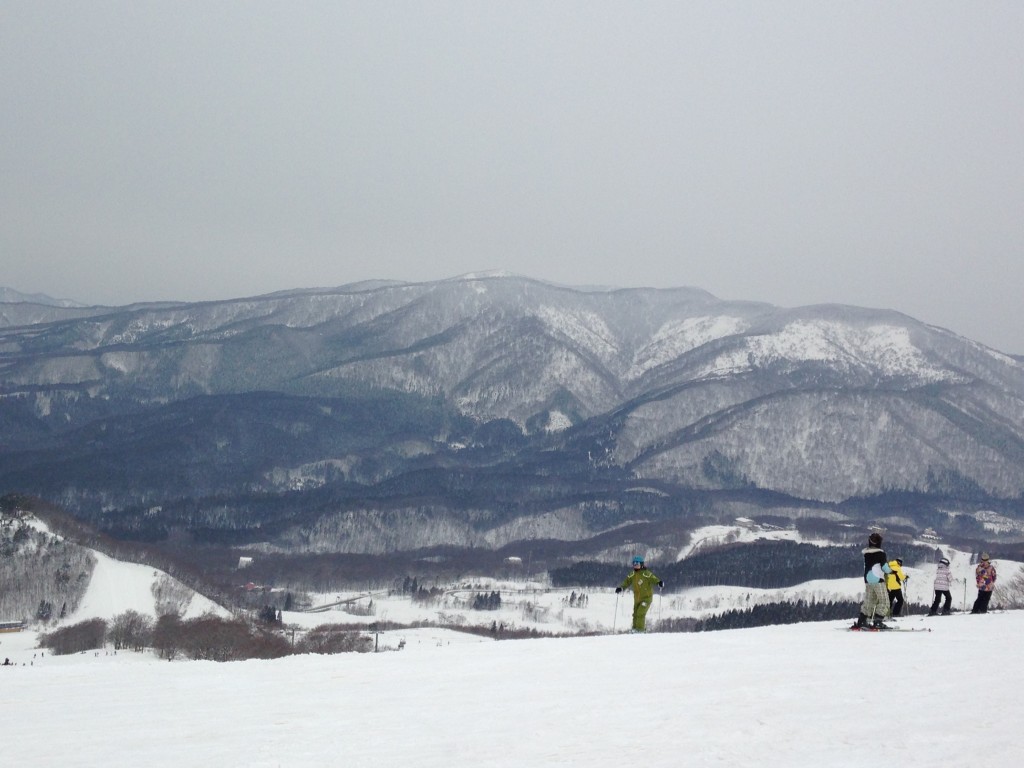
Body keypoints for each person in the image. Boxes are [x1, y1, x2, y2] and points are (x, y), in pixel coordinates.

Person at [852, 532, 893, 629]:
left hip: (867, 579)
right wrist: (891, 571)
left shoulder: (866, 553)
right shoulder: (881, 553)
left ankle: (862, 621)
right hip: (877, 579)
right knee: (884, 601)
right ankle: (878, 621)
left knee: (869, 600)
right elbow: (884, 567)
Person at [615, 555, 664, 633]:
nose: (635, 565)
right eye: (634, 564)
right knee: (635, 614)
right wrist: (621, 588)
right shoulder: (632, 574)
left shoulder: (646, 574)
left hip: (646, 598)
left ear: (641, 564)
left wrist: (659, 583)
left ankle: (640, 630)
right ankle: (634, 629)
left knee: (640, 613)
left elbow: (653, 579)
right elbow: (627, 582)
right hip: (637, 599)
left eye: (637, 564)